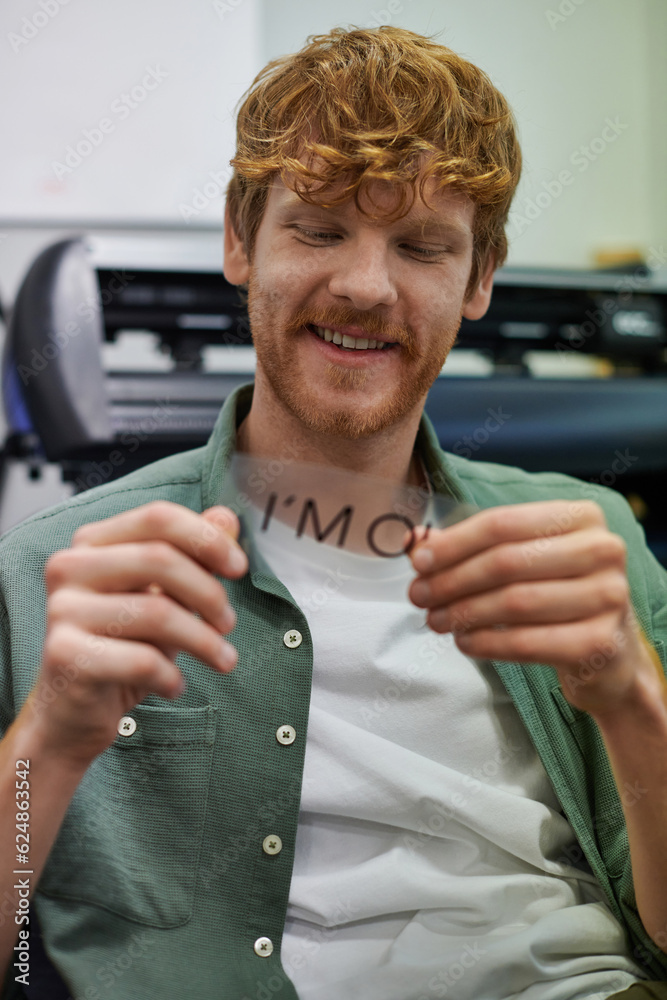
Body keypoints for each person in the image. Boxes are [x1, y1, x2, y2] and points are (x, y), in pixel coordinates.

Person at [1, 24, 667, 1000]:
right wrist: (48, 740)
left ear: (479, 277)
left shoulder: (587, 544)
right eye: (317, 229)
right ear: (240, 237)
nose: (363, 286)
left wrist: (632, 703)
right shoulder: (49, 575)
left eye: (422, 247)